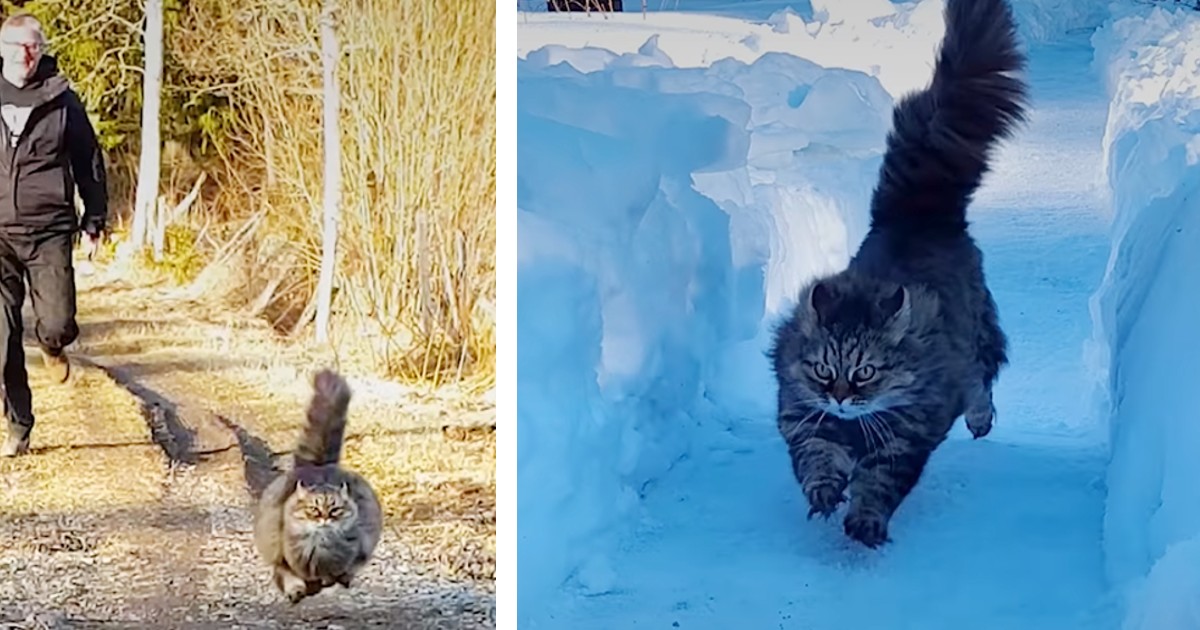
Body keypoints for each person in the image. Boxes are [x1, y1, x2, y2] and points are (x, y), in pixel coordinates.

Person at [0, 13, 107, 457]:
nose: (25, 54)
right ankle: (19, 425)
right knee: (0, 340)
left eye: (33, 46)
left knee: (58, 321)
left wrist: (95, 217)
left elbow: (89, 161)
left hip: (49, 230)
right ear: (1, 48)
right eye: (17, 46)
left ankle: (53, 345)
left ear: (41, 50)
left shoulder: (63, 101)